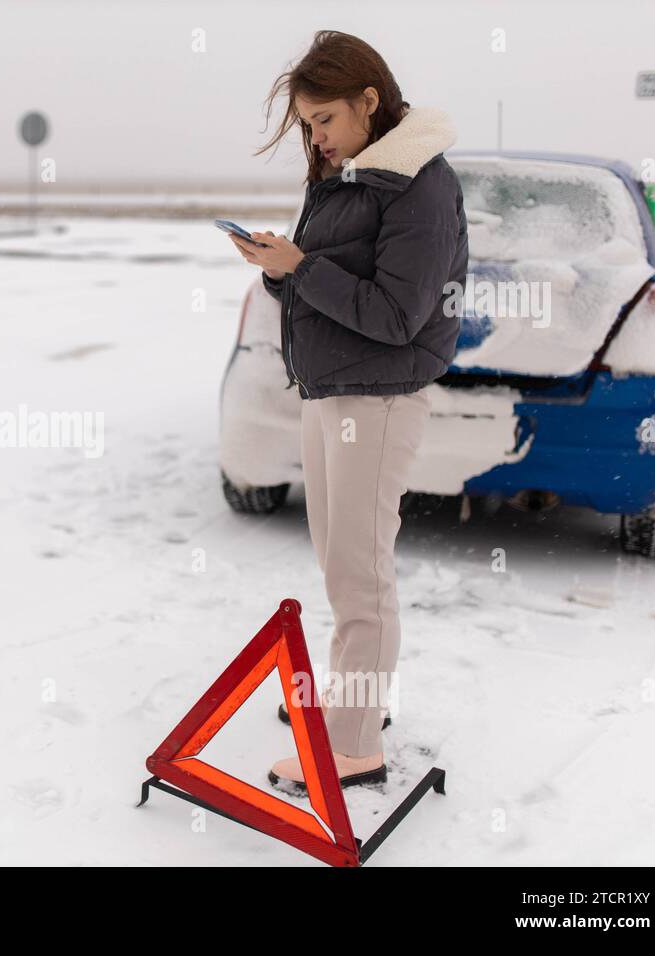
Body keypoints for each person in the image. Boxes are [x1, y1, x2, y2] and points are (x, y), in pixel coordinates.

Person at [227, 30, 468, 795]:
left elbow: (397, 315)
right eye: (307, 125)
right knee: (342, 569)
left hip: (380, 399)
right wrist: (280, 269)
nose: (316, 138)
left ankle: (355, 745)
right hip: (333, 391)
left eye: (323, 119)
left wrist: (302, 267)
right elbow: (328, 283)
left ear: (369, 100)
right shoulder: (350, 175)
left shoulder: (421, 186)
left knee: (361, 577)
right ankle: (351, 701)